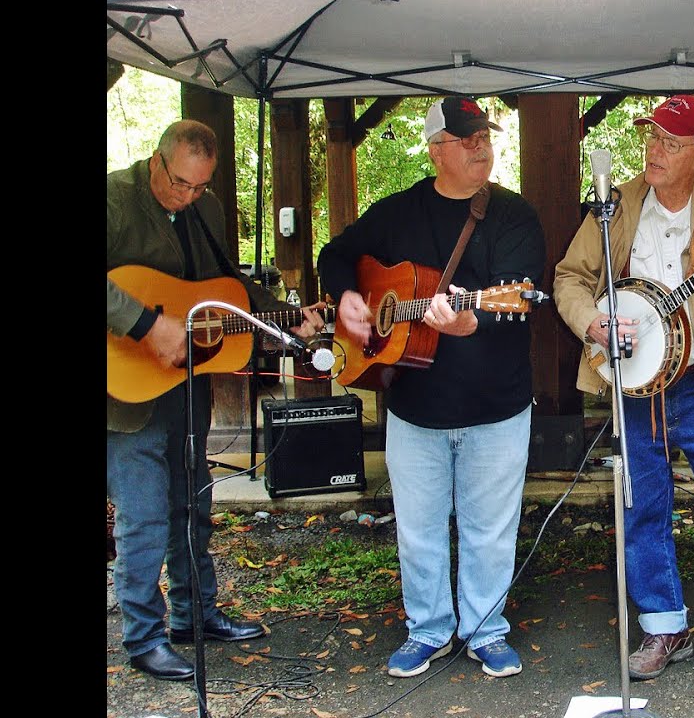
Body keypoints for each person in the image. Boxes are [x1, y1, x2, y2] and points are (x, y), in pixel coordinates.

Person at [554, 95, 694, 695]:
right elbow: (570, 278)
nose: (655, 151)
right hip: (633, 384)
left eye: (671, 142)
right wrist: (592, 324)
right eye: (651, 139)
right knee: (643, 508)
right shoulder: (615, 207)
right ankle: (664, 626)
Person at [317, 97, 545, 678]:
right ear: (436, 149)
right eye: (466, 140)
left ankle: (486, 629)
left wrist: (472, 320)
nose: (480, 148)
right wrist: (348, 296)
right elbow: (336, 253)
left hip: (496, 404)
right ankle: (428, 629)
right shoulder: (397, 213)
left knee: (489, 529)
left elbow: (518, 298)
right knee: (418, 530)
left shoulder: (514, 216)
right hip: (415, 408)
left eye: (484, 138)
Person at [107, 119, 326, 681]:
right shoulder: (114, 198)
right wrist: (143, 326)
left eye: (200, 186)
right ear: (156, 162)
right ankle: (143, 637)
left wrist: (283, 318)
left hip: (186, 385)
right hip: (124, 390)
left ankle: (195, 614)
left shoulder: (206, 211)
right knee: (145, 515)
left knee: (192, 504)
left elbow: (223, 290)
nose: (188, 195)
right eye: (180, 183)